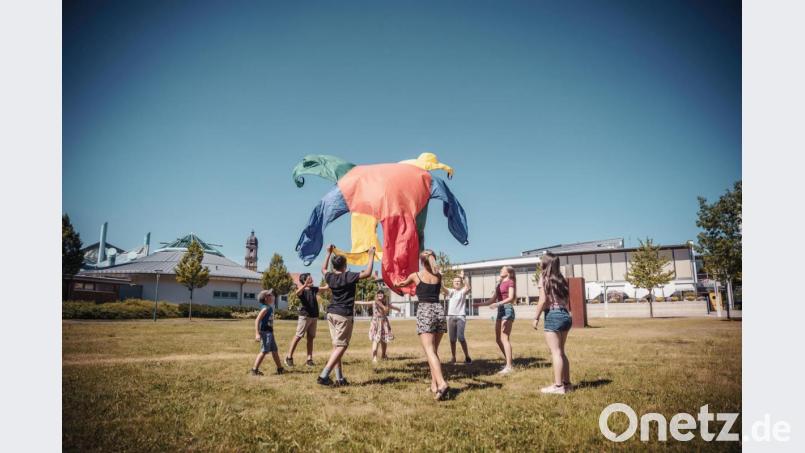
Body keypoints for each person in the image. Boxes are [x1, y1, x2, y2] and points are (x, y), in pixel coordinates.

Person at [394, 250, 450, 401]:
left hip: (425, 311)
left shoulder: (415, 275)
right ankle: (434, 385)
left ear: (421, 261)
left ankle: (442, 383)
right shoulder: (439, 276)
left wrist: (395, 282)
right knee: (434, 351)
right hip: (439, 311)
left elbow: (401, 285)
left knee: (429, 351)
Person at [317, 244, 376, 386]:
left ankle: (339, 378)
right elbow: (367, 273)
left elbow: (323, 269)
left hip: (331, 313)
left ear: (334, 266)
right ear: (345, 265)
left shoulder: (329, 277)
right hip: (344, 315)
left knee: (336, 346)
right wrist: (371, 255)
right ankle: (324, 375)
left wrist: (328, 253)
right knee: (342, 346)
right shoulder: (348, 276)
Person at [532, 252, 573, 394]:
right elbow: (567, 300)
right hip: (565, 314)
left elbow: (543, 300)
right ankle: (567, 384)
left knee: (555, 352)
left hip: (553, 315)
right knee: (561, 351)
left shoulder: (543, 278)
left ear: (545, 263)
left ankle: (558, 386)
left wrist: (536, 317)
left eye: (540, 261)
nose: (539, 263)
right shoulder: (561, 279)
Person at [473, 266, 516, 375]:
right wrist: (480, 304)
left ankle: (509, 366)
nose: (501, 270)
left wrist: (497, 304)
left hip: (507, 309)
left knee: (505, 338)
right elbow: (492, 300)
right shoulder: (500, 284)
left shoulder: (510, 282)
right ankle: (509, 362)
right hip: (500, 310)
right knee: (498, 339)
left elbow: (511, 297)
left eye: (503, 269)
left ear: (508, 272)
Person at [285, 273, 328, 368]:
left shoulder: (313, 289)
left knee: (311, 338)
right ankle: (289, 357)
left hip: (313, 317)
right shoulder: (302, 291)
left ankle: (309, 359)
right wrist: (305, 285)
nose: (312, 278)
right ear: (305, 280)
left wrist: (330, 276)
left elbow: (326, 288)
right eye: (309, 277)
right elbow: (297, 293)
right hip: (305, 316)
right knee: (298, 336)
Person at [356, 290, 401, 363]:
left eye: (382, 293)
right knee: (376, 340)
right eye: (378, 293)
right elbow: (364, 303)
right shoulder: (374, 302)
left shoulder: (386, 303)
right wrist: (354, 302)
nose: (380, 294)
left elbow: (392, 307)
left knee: (384, 340)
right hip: (376, 323)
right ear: (376, 295)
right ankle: (374, 358)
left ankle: (383, 355)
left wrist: (398, 309)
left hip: (384, 322)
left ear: (384, 296)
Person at [250, 289, 285, 376]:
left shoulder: (269, 307)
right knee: (264, 351)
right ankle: (254, 370)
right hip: (265, 332)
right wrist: (257, 333)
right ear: (266, 298)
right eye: (270, 295)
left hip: (270, 332)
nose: (272, 296)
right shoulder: (265, 308)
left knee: (274, 350)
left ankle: (280, 369)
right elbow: (257, 320)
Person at [445, 276, 472, 364]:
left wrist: (464, 278)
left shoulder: (462, 291)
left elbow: (468, 288)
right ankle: (453, 358)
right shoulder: (451, 291)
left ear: (461, 283)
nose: (457, 282)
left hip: (461, 316)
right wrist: (439, 277)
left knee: (460, 337)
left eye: (459, 281)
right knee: (452, 339)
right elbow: (442, 288)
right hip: (451, 317)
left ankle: (467, 357)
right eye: (455, 281)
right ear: (453, 283)